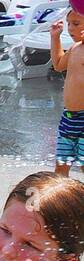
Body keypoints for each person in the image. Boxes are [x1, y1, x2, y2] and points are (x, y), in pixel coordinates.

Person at [52, 8, 84, 176]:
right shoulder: (74, 49)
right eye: (69, 24)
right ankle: (61, 200)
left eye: (76, 24)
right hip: (69, 117)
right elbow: (58, 64)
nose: (70, 28)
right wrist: (55, 37)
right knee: (61, 167)